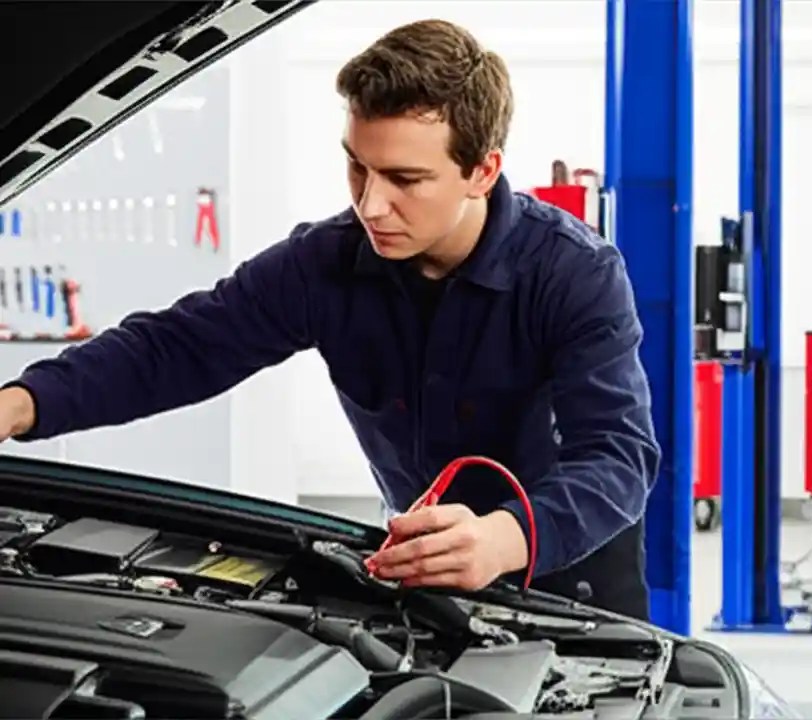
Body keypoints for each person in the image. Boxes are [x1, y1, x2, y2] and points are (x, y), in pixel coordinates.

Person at [0, 19, 660, 620]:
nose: (372, 205)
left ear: (481, 171)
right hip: (422, 577)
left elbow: (618, 455)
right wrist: (21, 403)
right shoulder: (326, 262)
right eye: (357, 166)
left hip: (572, 591)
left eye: (405, 178)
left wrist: (508, 536)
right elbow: (181, 347)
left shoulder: (574, 273)